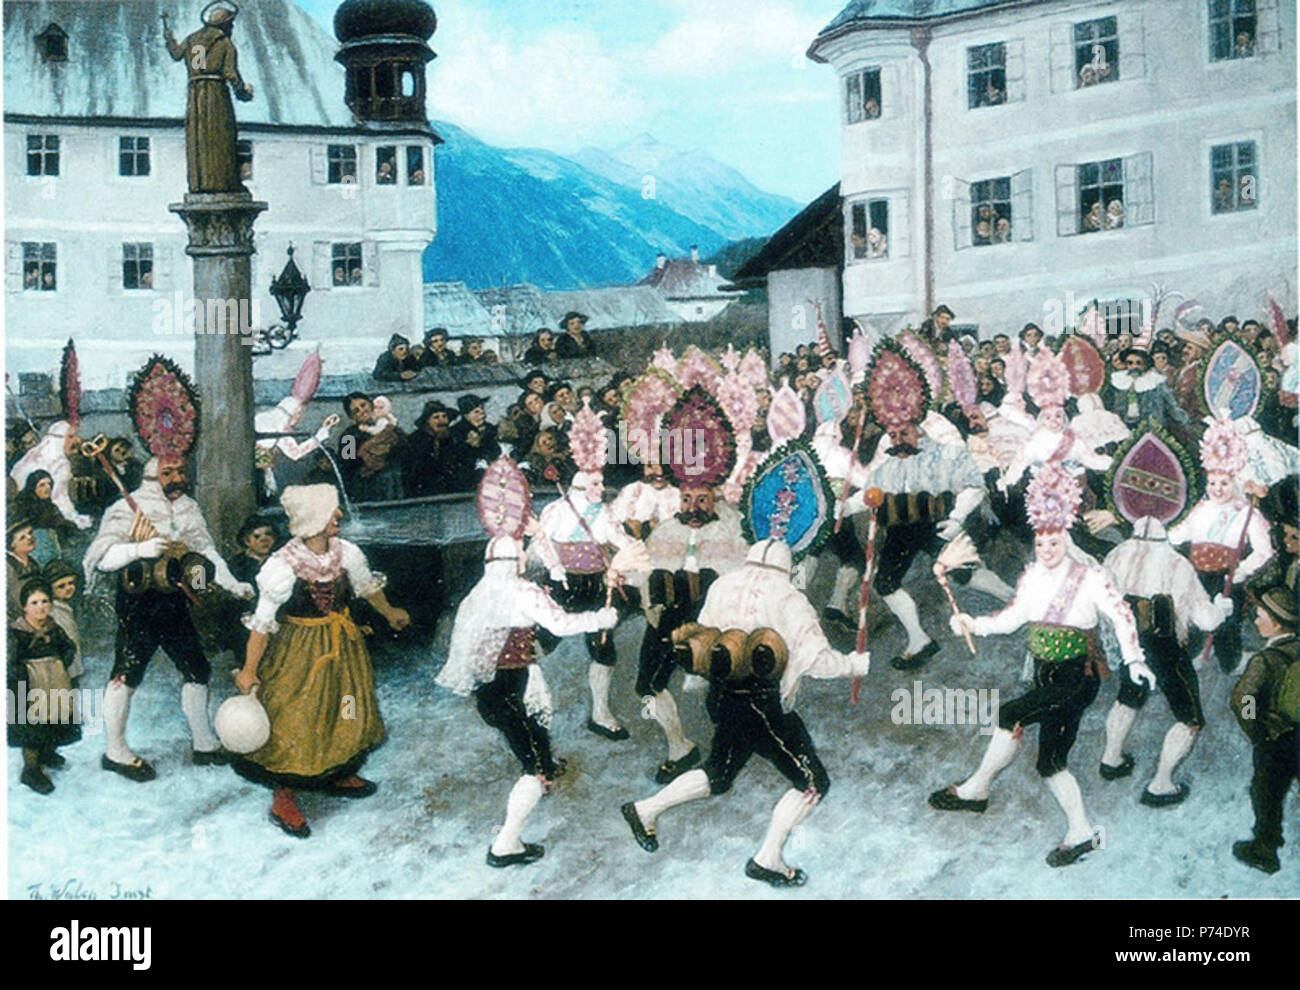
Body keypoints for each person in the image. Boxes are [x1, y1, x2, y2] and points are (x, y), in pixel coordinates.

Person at [935, 465, 1156, 867]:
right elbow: (1013, 618)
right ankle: (1082, 833)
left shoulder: (1090, 577)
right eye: (1040, 543)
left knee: (1009, 714)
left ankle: (976, 790)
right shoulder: (1033, 576)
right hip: (1045, 671)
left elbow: (1122, 614)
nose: (1046, 550)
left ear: (1066, 539)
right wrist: (973, 623)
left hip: (1076, 677)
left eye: (1053, 542)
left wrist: (1135, 658)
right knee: (1050, 762)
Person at [621, 539, 872, 888]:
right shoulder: (788, 597)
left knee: (719, 772)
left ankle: (645, 809)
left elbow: (702, 639)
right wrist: (854, 665)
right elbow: (817, 661)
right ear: (788, 567)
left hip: (722, 697)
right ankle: (767, 859)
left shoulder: (723, 584)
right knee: (812, 782)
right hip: (762, 704)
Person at [233, 485, 410, 838]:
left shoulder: (347, 553)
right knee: (296, 716)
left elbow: (366, 587)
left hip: (343, 649)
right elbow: (262, 621)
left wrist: (389, 612)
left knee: (345, 706)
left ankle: (337, 770)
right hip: (298, 652)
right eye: (332, 512)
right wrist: (251, 669)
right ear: (313, 519)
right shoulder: (283, 565)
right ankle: (284, 796)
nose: (339, 517)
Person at [437, 534, 618, 867]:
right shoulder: (522, 592)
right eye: (521, 554)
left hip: (489, 691)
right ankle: (506, 844)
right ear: (513, 561)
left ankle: (544, 765)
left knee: (533, 728)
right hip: (511, 687)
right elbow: (561, 624)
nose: (526, 559)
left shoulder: (477, 593)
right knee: (532, 764)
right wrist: (600, 620)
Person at [83, 455, 255, 781]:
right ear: (150, 478)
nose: (178, 478)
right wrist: (138, 550)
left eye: (180, 471)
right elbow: (101, 557)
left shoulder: (188, 507)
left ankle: (203, 743)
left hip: (175, 601)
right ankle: (114, 750)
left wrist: (232, 584)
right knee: (126, 674)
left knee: (197, 669)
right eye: (168, 473)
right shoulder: (125, 507)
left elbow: (206, 553)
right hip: (139, 605)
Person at [1096, 517, 1233, 804]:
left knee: (1129, 695)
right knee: (1190, 718)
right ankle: (1161, 784)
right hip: (1164, 647)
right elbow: (1205, 620)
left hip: (1130, 643)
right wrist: (1221, 609)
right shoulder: (1177, 564)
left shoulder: (1116, 553)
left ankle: (1111, 759)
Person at [634, 479, 749, 782]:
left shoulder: (730, 528)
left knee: (722, 684)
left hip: (712, 615)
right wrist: (650, 606)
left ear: (714, 500)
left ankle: (731, 745)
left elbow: (740, 578)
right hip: (668, 615)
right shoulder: (666, 531)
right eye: (686, 499)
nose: (693, 508)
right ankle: (679, 749)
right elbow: (643, 572)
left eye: (701, 500)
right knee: (648, 684)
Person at [530, 454, 640, 739]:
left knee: (603, 647)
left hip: (596, 586)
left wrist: (633, 554)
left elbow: (620, 540)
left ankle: (600, 713)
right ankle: (523, 693)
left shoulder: (604, 513)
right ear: (580, 485)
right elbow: (541, 541)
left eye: (601, 482)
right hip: (563, 585)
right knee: (544, 639)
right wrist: (554, 569)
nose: (601, 487)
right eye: (596, 483)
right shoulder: (555, 510)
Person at [1168, 419, 1274, 674]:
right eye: (1212, 483)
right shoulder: (1201, 509)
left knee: (1227, 619)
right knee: (1194, 614)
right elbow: (1183, 532)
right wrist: (1172, 535)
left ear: (1235, 483)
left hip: (1228, 575)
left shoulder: (1246, 513)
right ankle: (1193, 653)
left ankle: (1231, 660)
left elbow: (1264, 550)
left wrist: (1243, 571)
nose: (1217, 489)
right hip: (1197, 573)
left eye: (1224, 483)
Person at [1229, 587, 1297, 875]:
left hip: (1275, 738)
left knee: (1266, 794)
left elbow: (1242, 699)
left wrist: (1254, 729)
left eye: (1260, 616)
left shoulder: (1264, 661)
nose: (1256, 622)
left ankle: (1265, 849)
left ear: (1277, 623)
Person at [162, 3, 254, 194]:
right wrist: (243, 92)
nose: (232, 28)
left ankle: (202, 182)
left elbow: (189, 60)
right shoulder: (223, 43)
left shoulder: (196, 40)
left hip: (197, 95)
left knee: (200, 137)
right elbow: (230, 72)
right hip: (216, 95)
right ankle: (223, 182)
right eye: (231, 24)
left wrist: (169, 38)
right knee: (221, 136)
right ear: (225, 25)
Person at [8, 579, 81, 794]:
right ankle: (31, 770)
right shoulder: (16, 633)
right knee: (33, 728)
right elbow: (9, 662)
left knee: (55, 721)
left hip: (55, 682)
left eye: (45, 601)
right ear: (24, 607)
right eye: (34, 603)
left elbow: (68, 646)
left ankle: (48, 752)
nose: (41, 607)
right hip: (30, 687)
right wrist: (26, 672)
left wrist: (60, 662)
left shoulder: (53, 627)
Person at [337, 392, 404, 502]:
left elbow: (405, 449)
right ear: (351, 417)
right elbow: (346, 466)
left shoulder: (387, 425)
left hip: (395, 480)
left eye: (363, 405)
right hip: (368, 485)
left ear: (371, 404)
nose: (362, 411)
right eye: (356, 411)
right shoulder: (348, 436)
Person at [1103, 346, 1189, 432]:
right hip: (1123, 427)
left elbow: (1171, 406)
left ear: (1146, 364)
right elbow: (1107, 404)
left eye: (1138, 363)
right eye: (1130, 363)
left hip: (1150, 427)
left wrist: (1185, 421)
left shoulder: (1156, 381)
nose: (1134, 366)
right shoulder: (1117, 379)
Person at [402, 400, 476, 496]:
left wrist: (471, 447)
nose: (442, 421)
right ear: (427, 421)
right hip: (423, 492)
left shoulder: (450, 438)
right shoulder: (416, 440)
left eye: (444, 416)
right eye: (436, 417)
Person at [13, 469, 78, 560]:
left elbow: (60, 522)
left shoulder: (51, 507)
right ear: (33, 487)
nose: (47, 488)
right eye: (42, 485)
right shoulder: (23, 506)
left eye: (49, 484)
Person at [44, 559, 85, 688]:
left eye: (71, 583)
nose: (68, 588)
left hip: (72, 670)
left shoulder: (65, 608)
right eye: (61, 586)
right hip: (61, 671)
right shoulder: (52, 612)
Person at [449, 394, 501, 470]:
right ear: (466, 415)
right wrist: (471, 446)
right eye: (476, 412)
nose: (482, 414)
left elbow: (496, 451)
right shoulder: (456, 431)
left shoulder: (489, 428)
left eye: (482, 410)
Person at [6, 517, 42, 622]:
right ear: (12, 545)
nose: (30, 538)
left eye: (30, 533)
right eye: (22, 537)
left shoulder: (33, 564)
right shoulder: (7, 569)